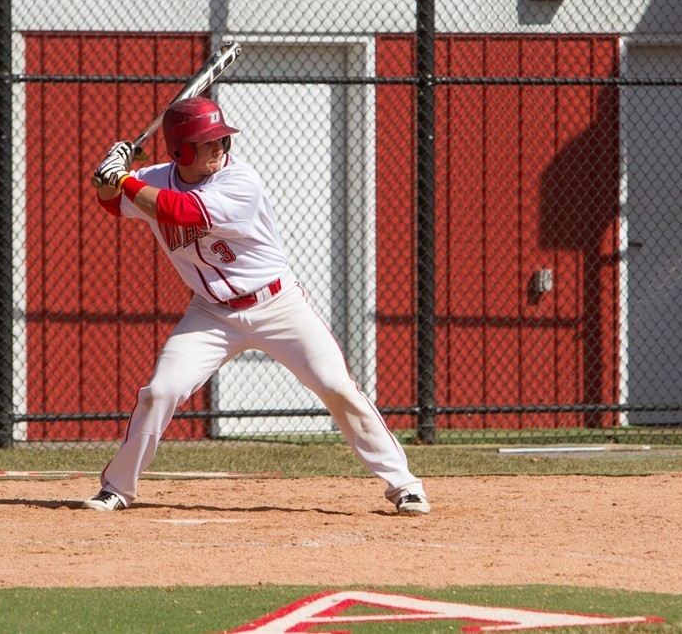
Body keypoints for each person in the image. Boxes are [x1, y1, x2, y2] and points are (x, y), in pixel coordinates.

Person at [83, 96, 430, 515]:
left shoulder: (240, 180)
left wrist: (123, 178)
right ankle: (117, 488)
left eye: (221, 139)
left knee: (337, 386)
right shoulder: (154, 179)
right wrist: (108, 174)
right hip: (211, 313)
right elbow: (111, 202)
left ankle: (404, 485)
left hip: (278, 304)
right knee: (160, 392)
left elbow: (183, 211)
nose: (218, 147)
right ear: (181, 151)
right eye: (206, 142)